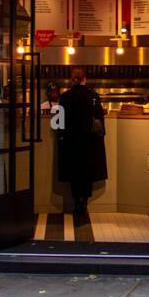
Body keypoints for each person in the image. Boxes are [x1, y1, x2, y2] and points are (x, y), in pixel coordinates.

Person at [59, 67, 107, 220]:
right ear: (85, 79)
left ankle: (75, 203)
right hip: (89, 142)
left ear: (72, 79)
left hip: (71, 142)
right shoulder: (93, 96)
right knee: (87, 174)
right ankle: (84, 204)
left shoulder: (65, 96)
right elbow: (100, 116)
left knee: (74, 173)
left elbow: (60, 120)